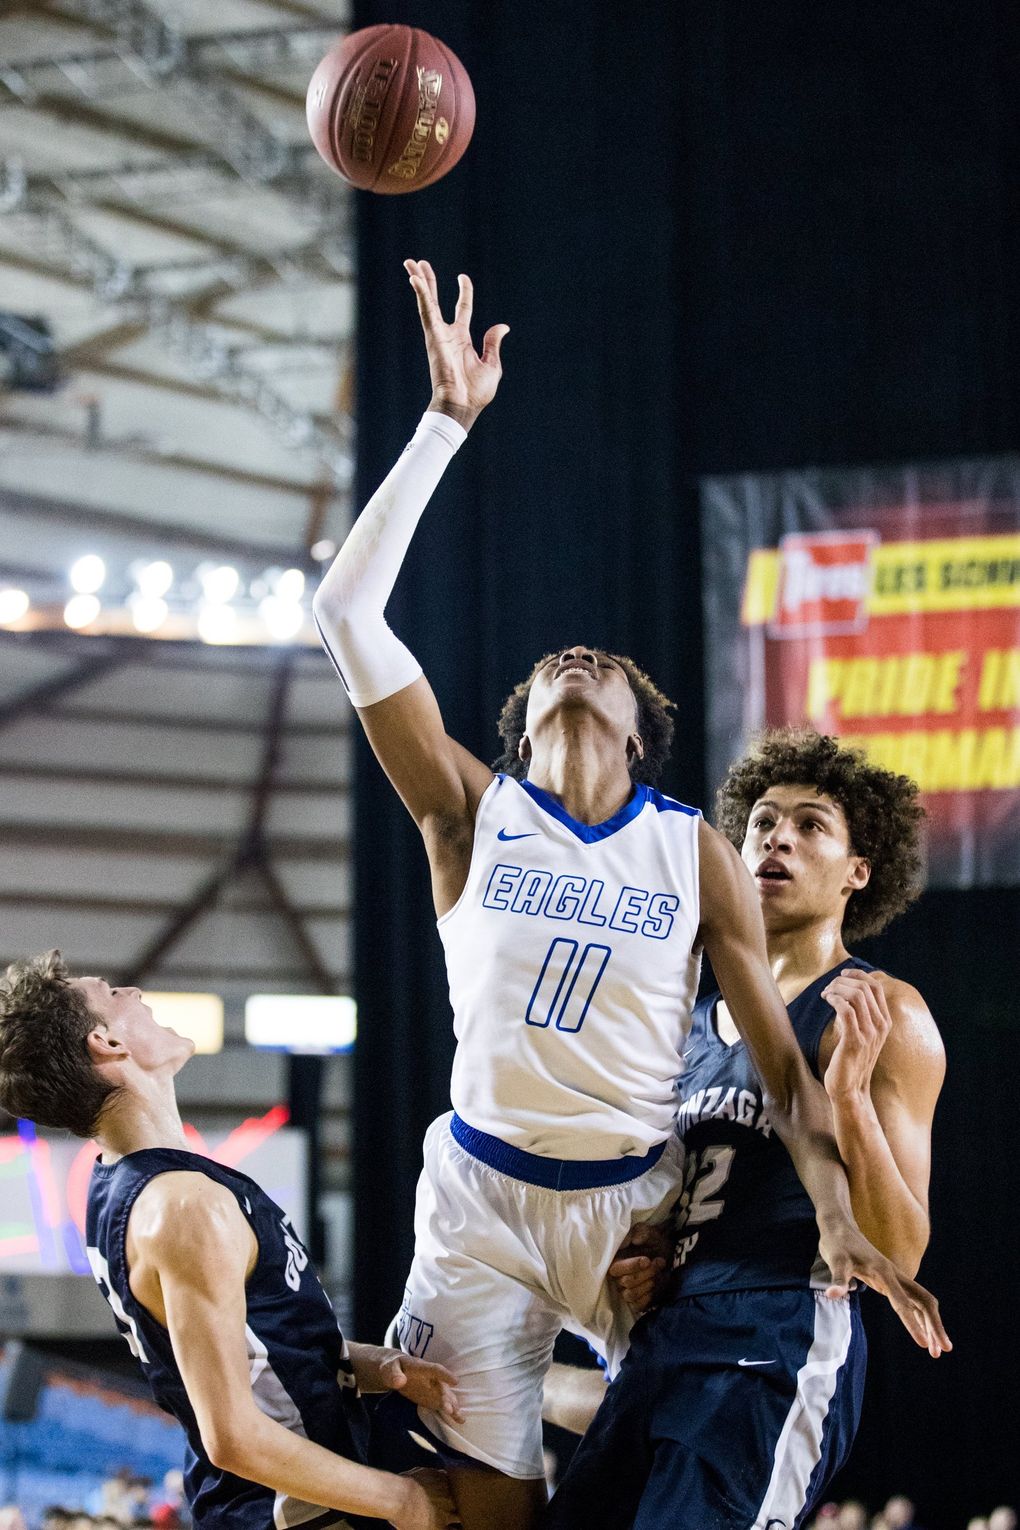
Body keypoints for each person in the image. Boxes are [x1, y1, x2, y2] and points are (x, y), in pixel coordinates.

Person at [310, 261, 948, 1530]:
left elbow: (775, 1054)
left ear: (640, 731)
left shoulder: (690, 851)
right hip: (481, 1199)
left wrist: (836, 1203)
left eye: (601, 661)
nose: (576, 654)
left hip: (633, 1210)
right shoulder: (469, 810)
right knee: (486, 1512)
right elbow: (344, 608)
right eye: (558, 659)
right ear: (528, 719)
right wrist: (445, 423)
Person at [540, 730, 947, 1530]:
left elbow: (899, 1251)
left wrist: (853, 1101)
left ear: (858, 873)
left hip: (781, 1325)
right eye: (761, 822)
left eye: (810, 826)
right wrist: (653, 1242)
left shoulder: (883, 1009)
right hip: (667, 1333)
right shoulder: (684, 1013)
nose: (777, 839)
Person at [0, 957, 461, 1530]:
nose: (136, 990)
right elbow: (233, 1436)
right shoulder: (182, 1205)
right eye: (114, 992)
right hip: (287, 1512)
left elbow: (256, 1350)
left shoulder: (125, 1181)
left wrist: (371, 1363)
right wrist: (402, 1501)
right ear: (107, 1041)